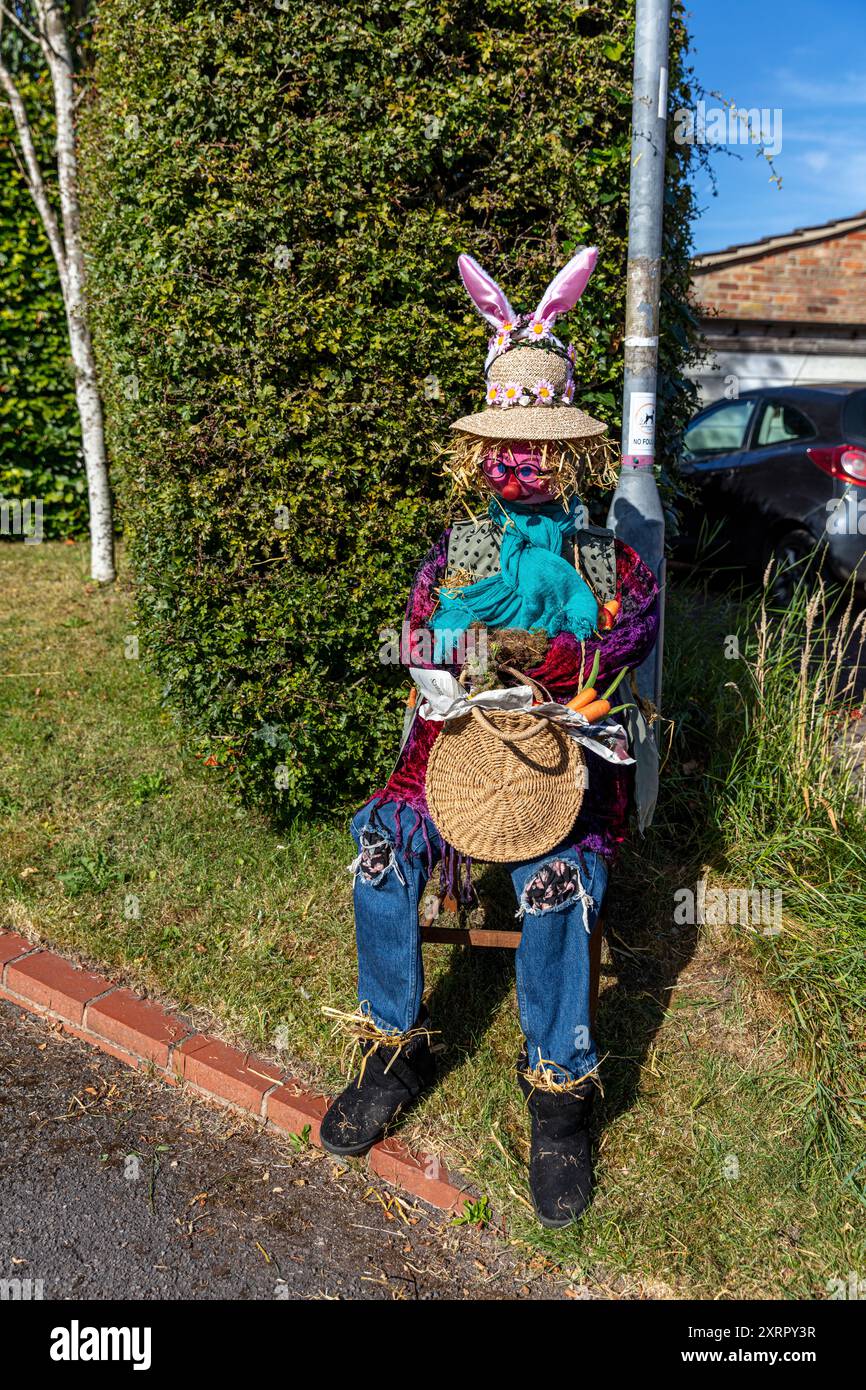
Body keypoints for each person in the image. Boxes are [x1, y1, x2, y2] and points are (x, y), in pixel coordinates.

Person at [320, 247, 660, 1227]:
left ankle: (557, 1093)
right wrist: (451, 658)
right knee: (379, 854)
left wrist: (542, 661)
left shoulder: (606, 558)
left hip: (564, 765)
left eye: (540, 444)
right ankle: (394, 1047)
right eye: (505, 445)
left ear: (571, 455)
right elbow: (423, 645)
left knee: (556, 887)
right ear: (481, 453)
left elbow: (617, 654)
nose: (520, 461)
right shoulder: (460, 547)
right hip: (452, 756)